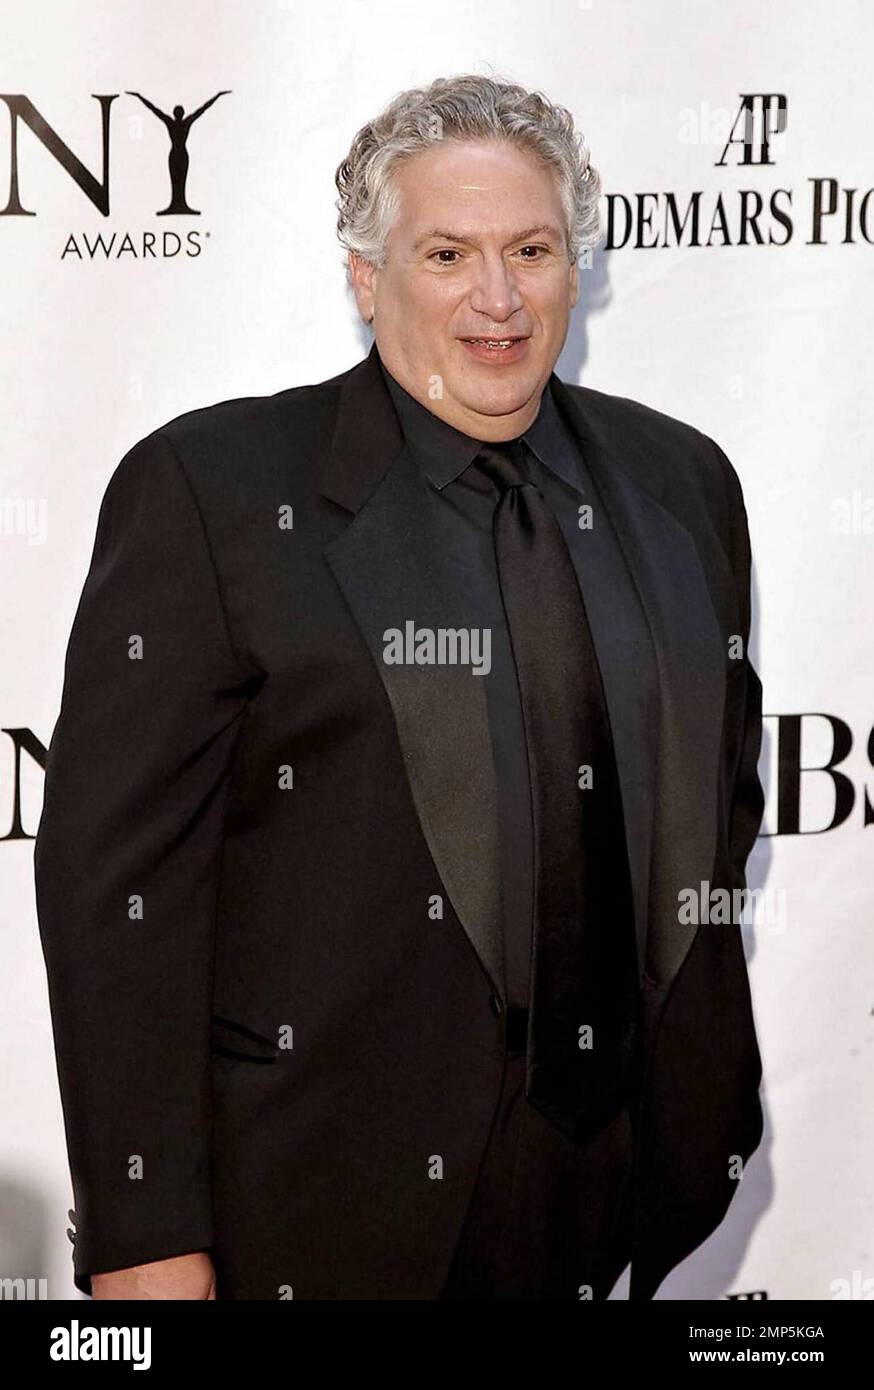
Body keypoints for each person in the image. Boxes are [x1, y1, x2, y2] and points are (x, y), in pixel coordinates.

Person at [34, 72, 765, 1301]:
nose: (497, 297)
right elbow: (119, 893)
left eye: (531, 248)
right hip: (322, 1198)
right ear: (367, 280)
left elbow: (717, 795)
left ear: (573, 267)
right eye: (446, 253)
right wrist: (144, 1230)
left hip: (625, 1188)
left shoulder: (681, 480)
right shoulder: (216, 491)